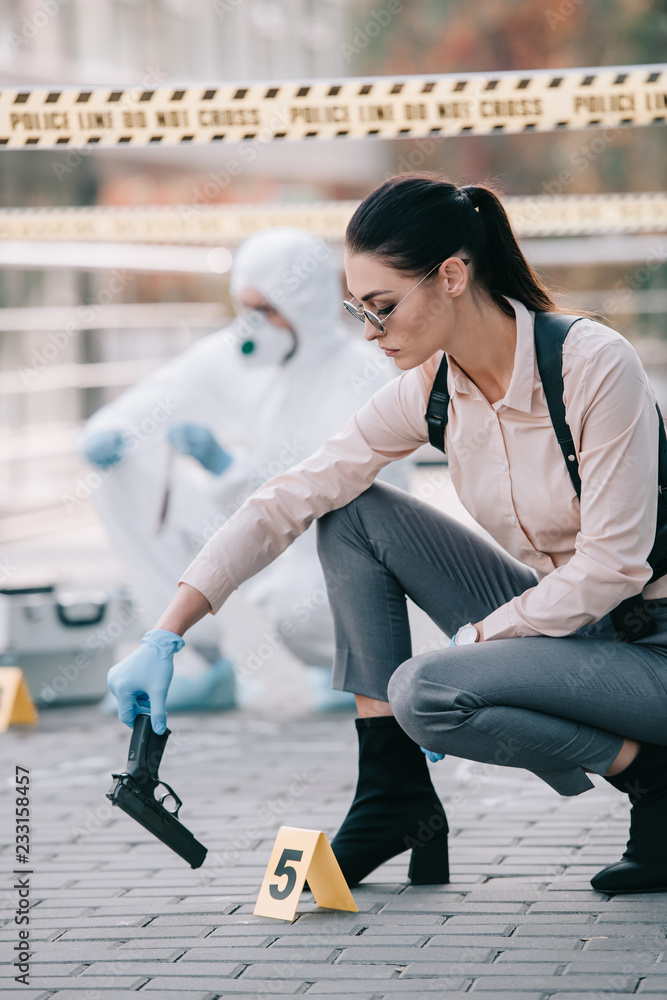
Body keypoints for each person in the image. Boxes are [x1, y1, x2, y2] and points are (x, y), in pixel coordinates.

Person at [107, 173, 667, 895]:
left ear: (452, 277)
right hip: (574, 630)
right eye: (357, 312)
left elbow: (612, 568)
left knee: (427, 690)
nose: (369, 335)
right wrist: (166, 633)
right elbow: (287, 498)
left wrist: (473, 644)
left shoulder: (590, 364)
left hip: (649, 644)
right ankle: (392, 795)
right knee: (350, 512)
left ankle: (652, 775)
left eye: (381, 308)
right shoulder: (431, 388)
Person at [81, 227, 408, 713]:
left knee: (301, 606)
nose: (252, 326)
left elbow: (330, 493)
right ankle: (195, 661)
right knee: (125, 471)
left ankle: (353, 663)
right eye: (246, 308)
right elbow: (156, 398)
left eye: (267, 310)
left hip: (323, 545)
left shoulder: (357, 373)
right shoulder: (232, 357)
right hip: (250, 531)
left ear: (305, 307)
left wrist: (228, 467)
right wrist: (107, 431)